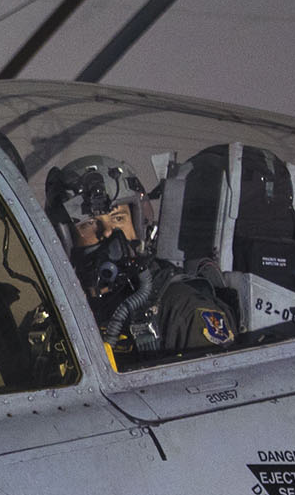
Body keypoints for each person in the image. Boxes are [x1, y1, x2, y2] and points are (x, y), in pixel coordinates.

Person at [41, 154, 240, 362]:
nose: (108, 233)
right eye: (89, 223)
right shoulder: (59, 313)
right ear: (64, 239)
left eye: (118, 218)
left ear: (138, 225)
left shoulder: (182, 309)